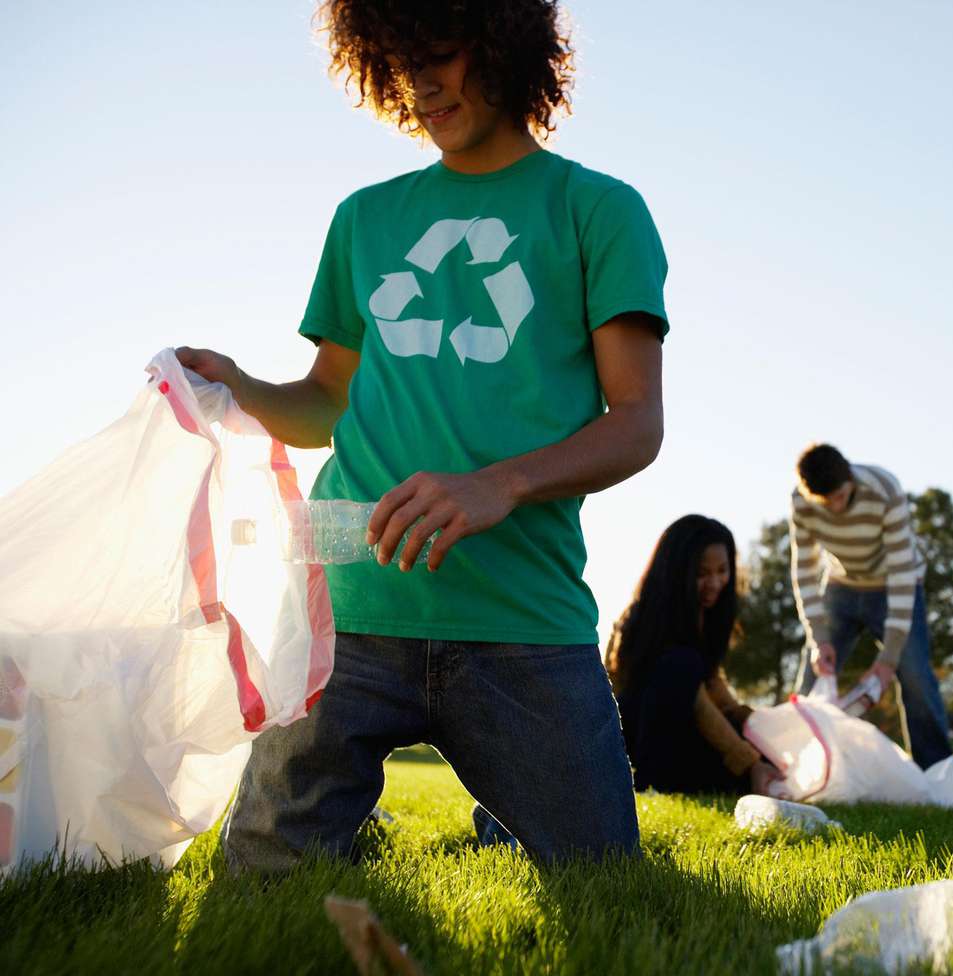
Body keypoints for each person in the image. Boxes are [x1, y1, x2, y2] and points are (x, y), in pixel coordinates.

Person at [176, 0, 669, 870]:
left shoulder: (599, 209)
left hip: (521, 618)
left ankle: (488, 818)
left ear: (508, 47)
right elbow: (329, 400)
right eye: (403, 64)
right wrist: (243, 388)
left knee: (602, 881)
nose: (423, 84)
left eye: (443, 54)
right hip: (352, 610)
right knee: (257, 881)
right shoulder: (364, 218)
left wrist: (498, 484)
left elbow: (635, 423)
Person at [789, 444, 953, 769]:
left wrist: (889, 656)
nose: (835, 509)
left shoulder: (883, 489)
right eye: (827, 502)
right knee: (814, 672)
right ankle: (796, 764)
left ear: (849, 477)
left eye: (839, 496)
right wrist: (818, 638)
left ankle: (936, 770)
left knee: (915, 674)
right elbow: (804, 570)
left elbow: (902, 571)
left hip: (894, 583)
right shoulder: (802, 501)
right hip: (841, 584)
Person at [607, 516, 781, 795]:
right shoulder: (651, 621)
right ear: (678, 573)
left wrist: (749, 720)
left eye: (722, 571)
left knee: (766, 757)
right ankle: (656, 782)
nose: (714, 583)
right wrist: (748, 762)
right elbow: (696, 699)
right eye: (702, 573)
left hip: (688, 728)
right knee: (682, 664)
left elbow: (712, 683)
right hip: (649, 739)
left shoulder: (706, 615)